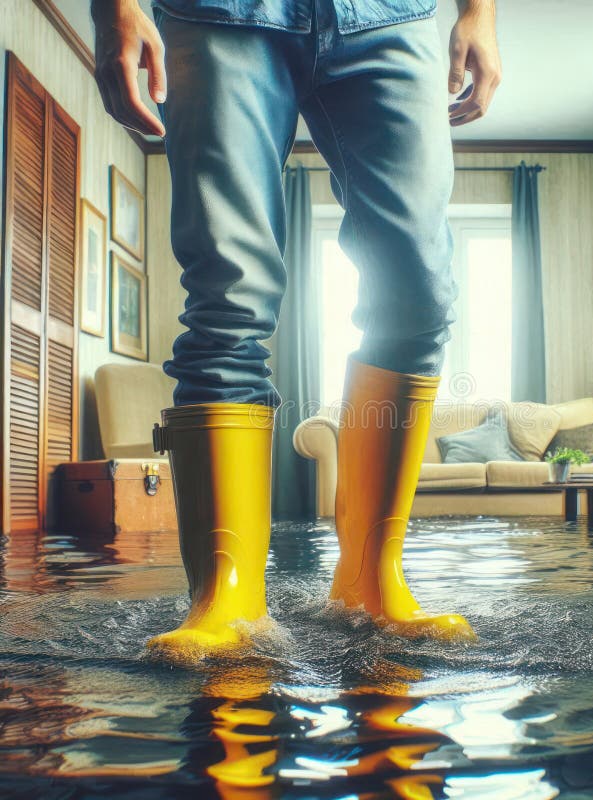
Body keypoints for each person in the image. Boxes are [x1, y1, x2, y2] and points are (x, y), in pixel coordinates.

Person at [91, 0, 501, 657]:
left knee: (420, 290)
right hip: (218, 12)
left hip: (390, 15)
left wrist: (480, 13)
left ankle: (372, 576)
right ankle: (227, 594)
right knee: (228, 291)